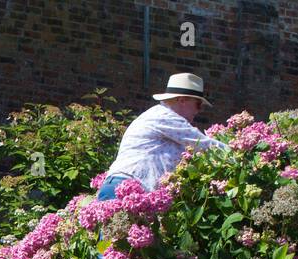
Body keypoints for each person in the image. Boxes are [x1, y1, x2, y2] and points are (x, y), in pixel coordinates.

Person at [96, 73, 227, 201]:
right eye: (198, 105)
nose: (198, 111)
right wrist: (240, 152)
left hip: (127, 188)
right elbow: (203, 144)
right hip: (125, 188)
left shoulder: (160, 117)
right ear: (181, 100)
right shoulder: (165, 117)